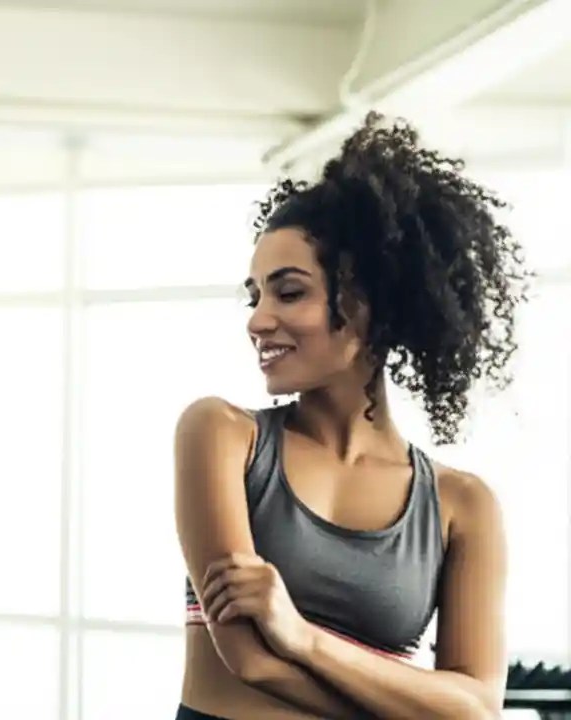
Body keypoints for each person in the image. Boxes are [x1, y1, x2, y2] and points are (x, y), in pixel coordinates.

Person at [173, 112, 528, 719]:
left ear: (371, 303)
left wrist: (301, 633)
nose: (258, 319)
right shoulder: (221, 435)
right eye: (254, 294)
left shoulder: (463, 505)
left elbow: (478, 707)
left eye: (288, 292)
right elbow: (250, 661)